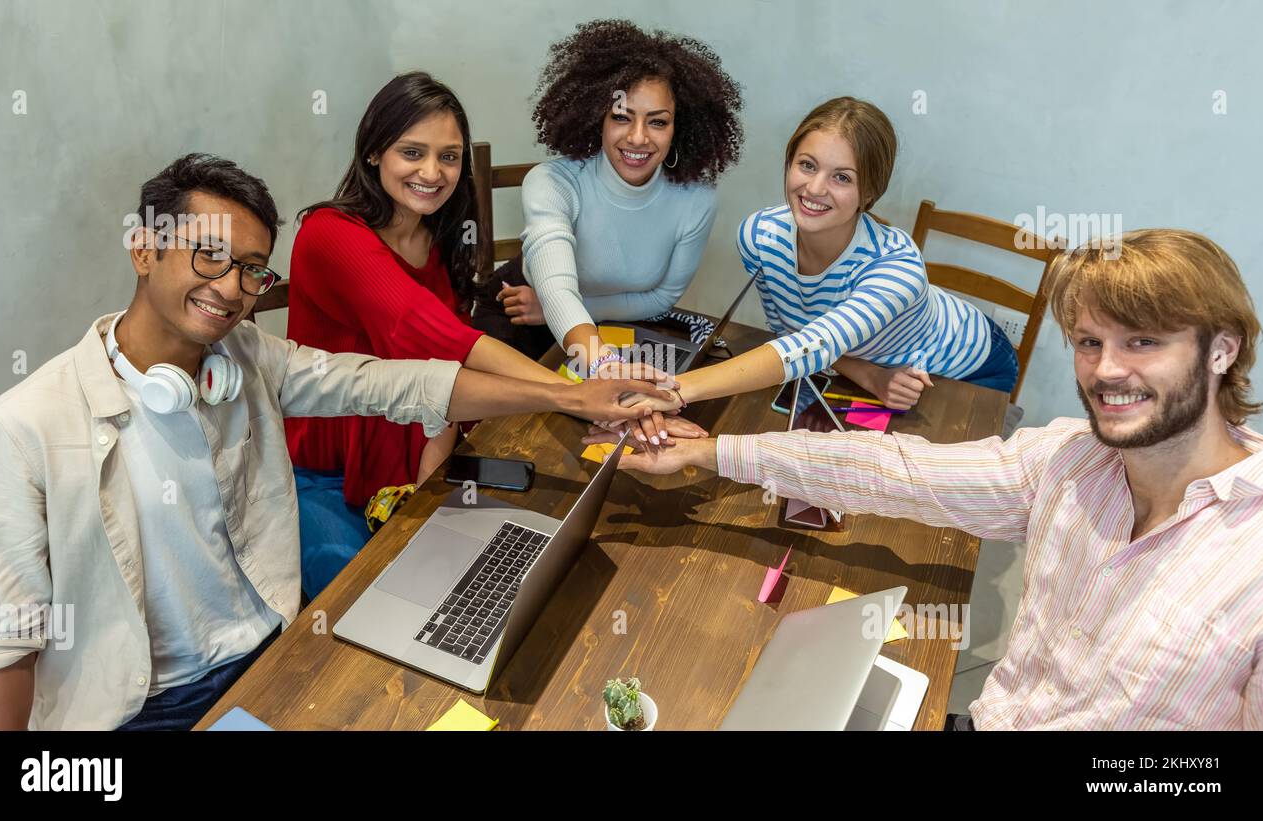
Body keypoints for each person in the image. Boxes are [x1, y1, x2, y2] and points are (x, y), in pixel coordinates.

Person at [0, 154, 672, 730]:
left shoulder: (244, 358)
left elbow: (399, 385)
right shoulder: (21, 429)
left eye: (251, 268)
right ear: (144, 247)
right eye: (209, 255)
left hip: (278, 649)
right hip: (139, 712)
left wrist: (567, 395)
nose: (232, 288)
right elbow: (0, 660)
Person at [596, 229, 1263, 730]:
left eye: (1143, 342)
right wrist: (710, 452)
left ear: (1221, 348)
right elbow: (895, 471)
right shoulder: (1070, 459)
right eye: (1091, 342)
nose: (1107, 370)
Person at [285, 73, 701, 599]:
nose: (433, 173)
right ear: (373, 152)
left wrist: (593, 396)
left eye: (450, 157)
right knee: (371, 600)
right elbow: (435, 337)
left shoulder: (431, 234)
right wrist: (582, 392)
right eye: (412, 152)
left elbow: (439, 378)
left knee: (519, 572)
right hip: (327, 474)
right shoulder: (329, 234)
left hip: (420, 443)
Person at [623, 97, 1018, 421]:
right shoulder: (759, 237)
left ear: (869, 192)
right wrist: (870, 376)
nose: (814, 188)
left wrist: (677, 389)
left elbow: (814, 346)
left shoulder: (896, 266)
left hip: (969, 368)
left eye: (841, 177)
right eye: (807, 165)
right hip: (882, 370)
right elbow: (794, 334)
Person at [472, 18, 744, 414]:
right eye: (621, 116)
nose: (637, 137)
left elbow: (662, 296)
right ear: (596, 117)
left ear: (679, 128)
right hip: (519, 314)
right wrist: (600, 362)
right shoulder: (551, 182)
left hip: (592, 323)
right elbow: (557, 287)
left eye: (658, 121)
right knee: (507, 429)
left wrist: (555, 312)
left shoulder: (696, 202)